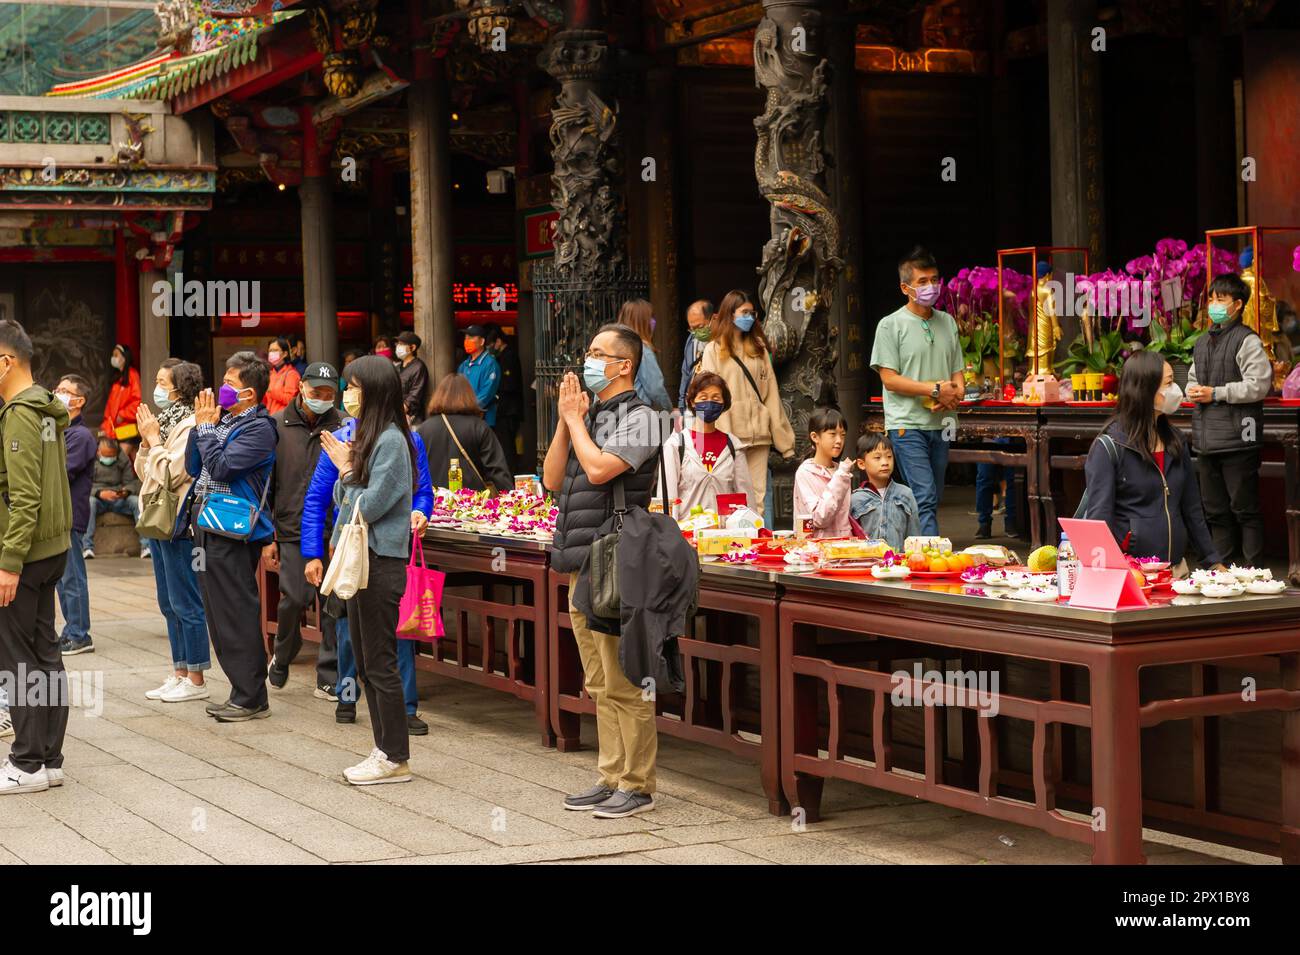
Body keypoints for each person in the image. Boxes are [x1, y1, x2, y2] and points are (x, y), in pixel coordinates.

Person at [544, 323, 662, 819]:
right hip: (581, 562)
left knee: (624, 678)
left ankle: (637, 783)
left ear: (623, 365)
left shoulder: (647, 419)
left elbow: (598, 471)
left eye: (598, 354)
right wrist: (564, 421)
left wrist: (576, 422)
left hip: (616, 562)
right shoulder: (586, 416)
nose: (588, 360)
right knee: (597, 679)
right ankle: (610, 773)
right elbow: (554, 478)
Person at [309, 355, 418, 785]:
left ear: (373, 390)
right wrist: (348, 471)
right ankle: (384, 748)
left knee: (379, 661)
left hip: (380, 561)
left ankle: (394, 756)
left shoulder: (391, 440)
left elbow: (368, 505)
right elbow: (343, 496)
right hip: (363, 559)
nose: (347, 394)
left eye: (353, 386)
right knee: (368, 658)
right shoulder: (372, 438)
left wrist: (349, 470)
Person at [301, 395, 432, 733]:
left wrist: (421, 511)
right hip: (347, 544)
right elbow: (317, 498)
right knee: (346, 629)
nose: (351, 398)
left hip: (387, 547)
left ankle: (406, 706)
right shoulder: (342, 439)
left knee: (397, 629)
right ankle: (347, 696)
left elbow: (421, 490)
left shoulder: (408, 439)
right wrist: (313, 552)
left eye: (357, 389)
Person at [184, 351, 278, 723]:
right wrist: (202, 426)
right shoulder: (221, 422)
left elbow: (223, 466)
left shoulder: (260, 429)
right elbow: (195, 465)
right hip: (206, 523)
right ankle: (240, 690)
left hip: (233, 530)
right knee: (217, 612)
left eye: (230, 384)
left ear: (250, 394)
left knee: (237, 611)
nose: (221, 389)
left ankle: (252, 695)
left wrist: (206, 430)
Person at [0, 320, 73, 795]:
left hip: (23, 555)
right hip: (52, 548)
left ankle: (26, 762)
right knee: (46, 652)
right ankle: (48, 759)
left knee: (16, 657)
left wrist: (8, 561)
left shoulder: (20, 413)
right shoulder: (45, 408)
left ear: (5, 361)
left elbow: (23, 495)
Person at [1084, 350, 1224, 570]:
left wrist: (1213, 561)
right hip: (1132, 574)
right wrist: (1112, 570)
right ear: (1145, 390)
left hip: (1176, 572)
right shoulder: (1109, 447)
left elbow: (1192, 508)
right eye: (1169, 383)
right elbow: (1098, 519)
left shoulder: (1176, 441)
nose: (1175, 390)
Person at [869, 246, 964, 536]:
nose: (931, 287)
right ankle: (931, 563)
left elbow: (958, 377)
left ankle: (908, 552)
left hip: (944, 423)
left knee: (931, 497)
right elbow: (889, 379)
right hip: (906, 424)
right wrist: (935, 390)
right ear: (905, 287)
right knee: (924, 496)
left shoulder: (947, 322)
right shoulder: (890, 325)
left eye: (934, 280)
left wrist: (953, 394)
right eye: (922, 282)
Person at [135, 359, 210, 702]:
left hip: (179, 520)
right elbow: (145, 471)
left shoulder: (190, 425)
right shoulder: (164, 423)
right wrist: (146, 442)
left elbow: (172, 473)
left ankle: (196, 677)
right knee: (167, 602)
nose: (157, 388)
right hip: (156, 517)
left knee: (186, 601)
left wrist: (154, 441)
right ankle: (179, 670)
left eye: (163, 382)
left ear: (180, 388)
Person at [266, 362, 342, 699]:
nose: (322, 399)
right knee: (293, 598)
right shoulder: (278, 425)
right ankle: (283, 654)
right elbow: (268, 482)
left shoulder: (343, 424)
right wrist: (268, 535)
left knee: (332, 604)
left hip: (333, 529)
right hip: (291, 526)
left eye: (329, 394)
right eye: (316, 393)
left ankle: (328, 675)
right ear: (301, 389)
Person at [1186, 273, 1271, 567]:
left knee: (1244, 508)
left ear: (1237, 305)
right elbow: (1194, 379)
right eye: (1211, 299)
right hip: (1206, 440)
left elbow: (1259, 385)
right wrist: (1192, 391)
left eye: (1220, 299)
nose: (1214, 304)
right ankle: (1221, 571)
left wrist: (1217, 393)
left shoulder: (1247, 340)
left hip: (1238, 438)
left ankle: (1253, 570)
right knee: (1215, 511)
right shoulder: (1201, 342)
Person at [698, 290, 796, 511]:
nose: (749, 318)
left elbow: (771, 395)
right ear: (730, 314)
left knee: (757, 500)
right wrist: (708, 435)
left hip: (759, 434)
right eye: (744, 313)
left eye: (752, 313)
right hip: (728, 434)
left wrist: (784, 442)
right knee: (727, 497)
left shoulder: (759, 348)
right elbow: (708, 395)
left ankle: (755, 544)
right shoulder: (713, 350)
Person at [658, 371, 752, 517]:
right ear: (692, 402)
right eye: (703, 397)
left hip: (727, 534)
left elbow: (746, 497)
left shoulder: (733, 445)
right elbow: (667, 499)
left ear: (724, 404)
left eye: (716, 398)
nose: (709, 402)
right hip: (686, 534)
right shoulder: (676, 445)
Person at [53, 376, 96, 657]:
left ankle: (80, 634)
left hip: (71, 514)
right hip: (58, 514)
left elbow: (61, 471)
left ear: (78, 401)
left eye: (65, 391)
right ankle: (70, 631)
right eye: (57, 389)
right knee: (60, 577)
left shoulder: (80, 436)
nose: (58, 394)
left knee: (72, 577)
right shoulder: (60, 430)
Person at [417, 373, 512, 492]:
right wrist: (509, 498)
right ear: (469, 396)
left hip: (433, 503)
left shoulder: (424, 429)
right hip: (472, 504)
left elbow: (415, 471)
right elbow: (498, 472)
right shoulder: (479, 427)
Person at [850, 431, 920, 551]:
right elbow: (851, 539)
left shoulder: (905, 494)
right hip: (868, 563)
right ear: (861, 464)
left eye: (889, 456)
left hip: (899, 565)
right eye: (877, 458)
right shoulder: (855, 498)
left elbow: (914, 537)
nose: (885, 462)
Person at [792, 407, 854, 539]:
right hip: (815, 549)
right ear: (815, 437)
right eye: (832, 434)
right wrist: (841, 476)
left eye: (842, 435)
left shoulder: (840, 471)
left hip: (844, 546)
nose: (839, 440)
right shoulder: (805, 472)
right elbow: (820, 518)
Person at [81, 434, 141, 561]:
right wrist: (99, 493)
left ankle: (147, 546)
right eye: (106, 455)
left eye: (111, 456)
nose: (109, 458)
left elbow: (131, 482)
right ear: (98, 452)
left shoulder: (122, 458)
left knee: (136, 502)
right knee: (89, 503)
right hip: (98, 498)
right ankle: (87, 547)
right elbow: (84, 484)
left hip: (119, 497)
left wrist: (126, 491)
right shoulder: (89, 459)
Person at [617, 299, 672, 411]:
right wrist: (669, 409)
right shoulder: (642, 349)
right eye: (651, 317)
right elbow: (655, 388)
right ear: (642, 321)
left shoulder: (613, 348)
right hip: (636, 412)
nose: (653, 322)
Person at [484, 323, 523, 474]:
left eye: (491, 344)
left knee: (507, 448)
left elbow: (509, 384)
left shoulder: (509, 356)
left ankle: (510, 477)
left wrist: (494, 389)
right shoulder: (501, 356)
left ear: (499, 342)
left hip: (508, 410)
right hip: (504, 410)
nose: (489, 348)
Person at [101, 343, 141, 459]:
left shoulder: (132, 375)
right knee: (134, 459)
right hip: (117, 428)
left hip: (127, 427)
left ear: (125, 357)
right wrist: (106, 424)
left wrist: (123, 414)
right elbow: (110, 406)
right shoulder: (118, 378)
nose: (113, 358)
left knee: (120, 459)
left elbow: (137, 401)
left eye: (116, 355)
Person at [975, 438, 1020, 540]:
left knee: (1013, 478)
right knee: (984, 477)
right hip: (988, 435)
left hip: (1012, 436)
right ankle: (984, 522)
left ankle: (1011, 521)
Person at [458, 324, 501, 426]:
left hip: (483, 420)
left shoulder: (490, 364)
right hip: (465, 418)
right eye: (465, 338)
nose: (467, 341)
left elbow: (487, 393)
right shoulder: (464, 365)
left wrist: (469, 409)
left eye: (471, 338)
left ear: (482, 341)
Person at [677, 298, 713, 411]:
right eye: (692, 328)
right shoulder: (691, 340)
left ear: (713, 318)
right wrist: (682, 405)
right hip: (693, 406)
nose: (696, 332)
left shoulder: (722, 342)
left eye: (700, 327)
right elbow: (686, 373)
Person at [395, 331, 430, 425]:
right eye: (398, 344)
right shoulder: (397, 367)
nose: (398, 346)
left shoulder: (419, 367)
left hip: (412, 419)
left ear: (413, 347)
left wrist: (400, 411)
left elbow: (415, 395)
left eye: (402, 344)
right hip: (396, 417)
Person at [263, 337, 301, 416]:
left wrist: (271, 390)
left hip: (283, 418)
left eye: (275, 350)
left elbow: (290, 399)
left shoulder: (292, 374)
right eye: (270, 350)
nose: (272, 353)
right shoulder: (270, 373)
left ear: (285, 354)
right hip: (269, 418)